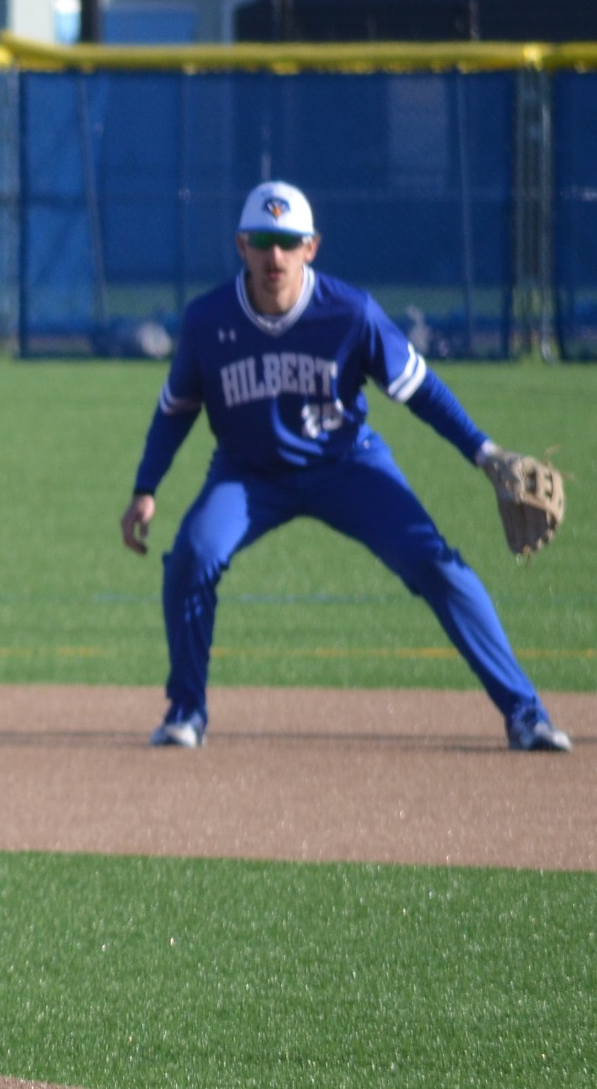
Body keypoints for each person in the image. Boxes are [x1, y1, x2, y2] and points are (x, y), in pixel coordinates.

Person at [119, 180, 571, 753]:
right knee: (191, 557)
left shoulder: (350, 312)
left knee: (434, 565)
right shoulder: (209, 320)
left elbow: (421, 390)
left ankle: (526, 714)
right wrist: (145, 487)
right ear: (241, 246)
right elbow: (176, 409)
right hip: (248, 474)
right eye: (262, 241)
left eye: (288, 242)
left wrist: (484, 453)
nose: (274, 256)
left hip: (347, 465)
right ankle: (186, 712)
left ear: (312, 247)